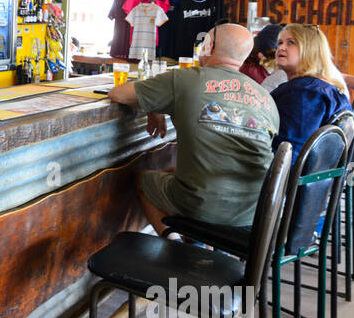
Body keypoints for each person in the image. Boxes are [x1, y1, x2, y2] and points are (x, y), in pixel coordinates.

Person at [108, 22, 279, 230]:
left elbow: (117, 94)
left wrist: (153, 104)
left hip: (203, 207)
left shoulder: (185, 79)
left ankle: (176, 245)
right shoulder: (265, 97)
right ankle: (202, 243)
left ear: (209, 45)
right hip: (256, 212)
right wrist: (154, 104)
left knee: (143, 179)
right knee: (175, 172)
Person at [271, 23, 354, 158]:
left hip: (289, 176)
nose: (281, 47)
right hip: (319, 177)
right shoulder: (323, 88)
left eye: (291, 42)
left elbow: (289, 152)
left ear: (311, 50)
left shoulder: (302, 94)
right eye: (280, 42)